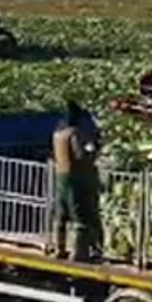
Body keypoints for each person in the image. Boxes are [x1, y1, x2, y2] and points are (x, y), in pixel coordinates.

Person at [51, 101, 101, 262]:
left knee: (61, 215)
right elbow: (80, 154)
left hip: (60, 176)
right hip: (75, 178)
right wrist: (93, 151)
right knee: (81, 216)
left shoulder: (58, 134)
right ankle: (78, 252)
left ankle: (59, 248)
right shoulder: (74, 133)